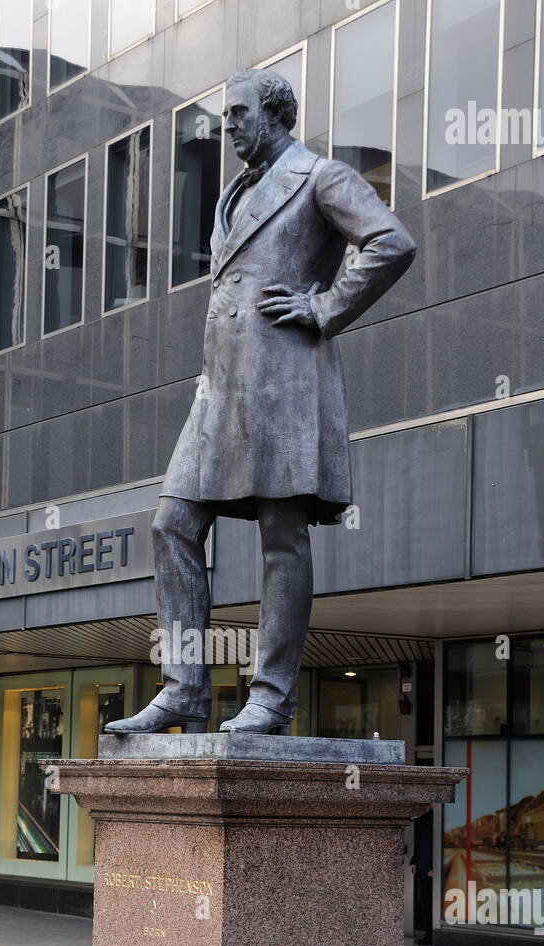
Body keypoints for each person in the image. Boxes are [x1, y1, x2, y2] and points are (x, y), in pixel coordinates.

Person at [107, 68, 416, 737]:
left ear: (275, 114)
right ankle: (185, 688)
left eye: (238, 114)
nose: (229, 127)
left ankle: (272, 697)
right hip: (218, 389)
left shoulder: (320, 177)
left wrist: (326, 305)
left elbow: (391, 241)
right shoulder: (231, 195)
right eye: (225, 117)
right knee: (173, 523)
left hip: (284, 382)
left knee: (283, 534)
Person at [410, 805, 434, 945]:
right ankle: (428, 934)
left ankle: (431, 934)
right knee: (425, 901)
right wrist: (414, 861)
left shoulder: (437, 820)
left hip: (429, 868)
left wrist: (431, 868)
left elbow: (432, 845)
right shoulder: (423, 820)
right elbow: (419, 844)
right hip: (424, 868)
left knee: (430, 902)